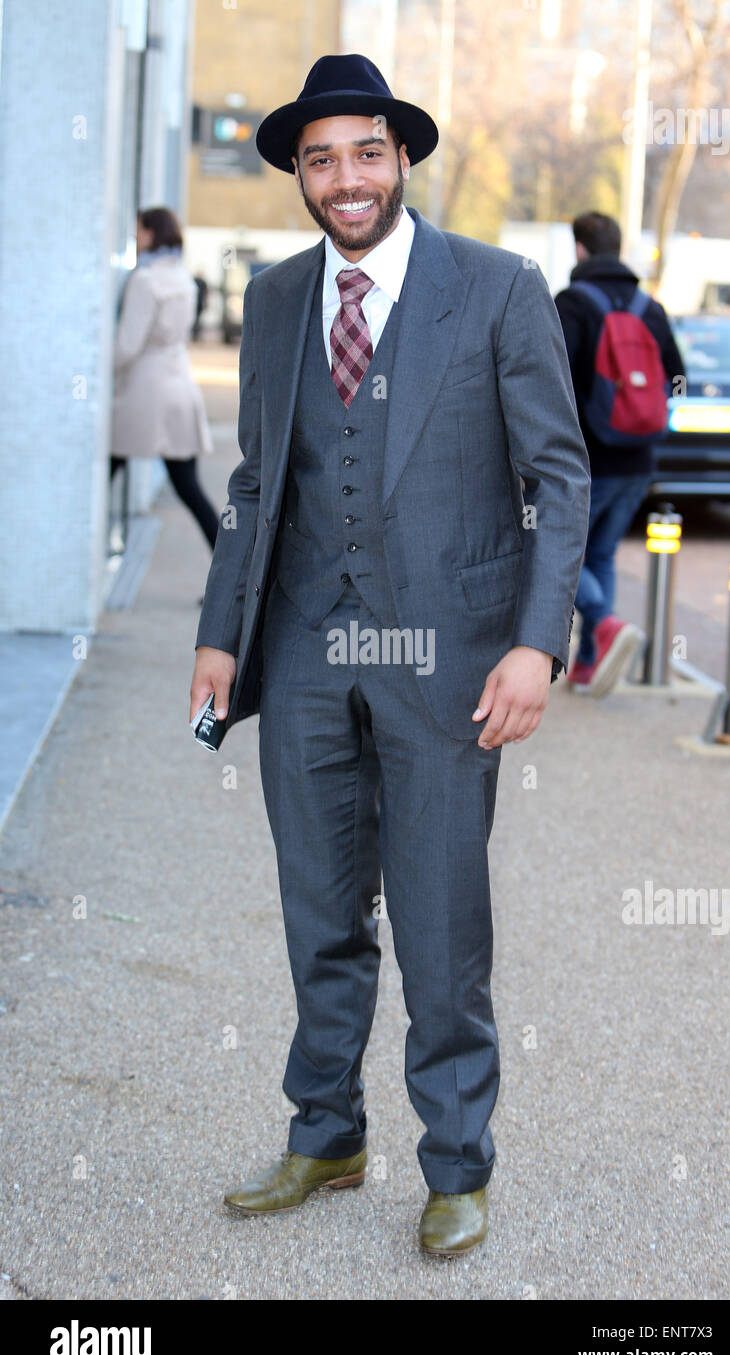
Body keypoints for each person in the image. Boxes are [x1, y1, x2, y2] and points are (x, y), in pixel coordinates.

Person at [189, 54, 590, 1256]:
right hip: (307, 645)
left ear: (399, 157)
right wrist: (220, 634)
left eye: (365, 152)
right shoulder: (272, 300)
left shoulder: (499, 287)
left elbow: (558, 477)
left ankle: (456, 1163)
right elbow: (256, 481)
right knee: (319, 907)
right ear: (300, 177)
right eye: (320, 159)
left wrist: (535, 645)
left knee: (439, 916)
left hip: (451, 656)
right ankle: (325, 1133)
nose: (344, 178)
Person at [554, 211, 685, 695]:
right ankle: (590, 664)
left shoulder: (573, 304)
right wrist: (647, 421)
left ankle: (604, 626)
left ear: (581, 249)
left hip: (588, 459)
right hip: (640, 457)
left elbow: (552, 378)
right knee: (602, 554)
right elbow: (676, 375)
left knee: (563, 554)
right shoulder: (650, 307)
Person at [110, 207, 218, 557]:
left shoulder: (144, 280)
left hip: (145, 392)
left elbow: (127, 346)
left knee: (98, 476)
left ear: (152, 233)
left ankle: (65, 555)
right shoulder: (181, 277)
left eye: (140, 231)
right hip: (179, 386)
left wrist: (94, 374)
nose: (136, 238)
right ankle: (236, 583)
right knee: (189, 488)